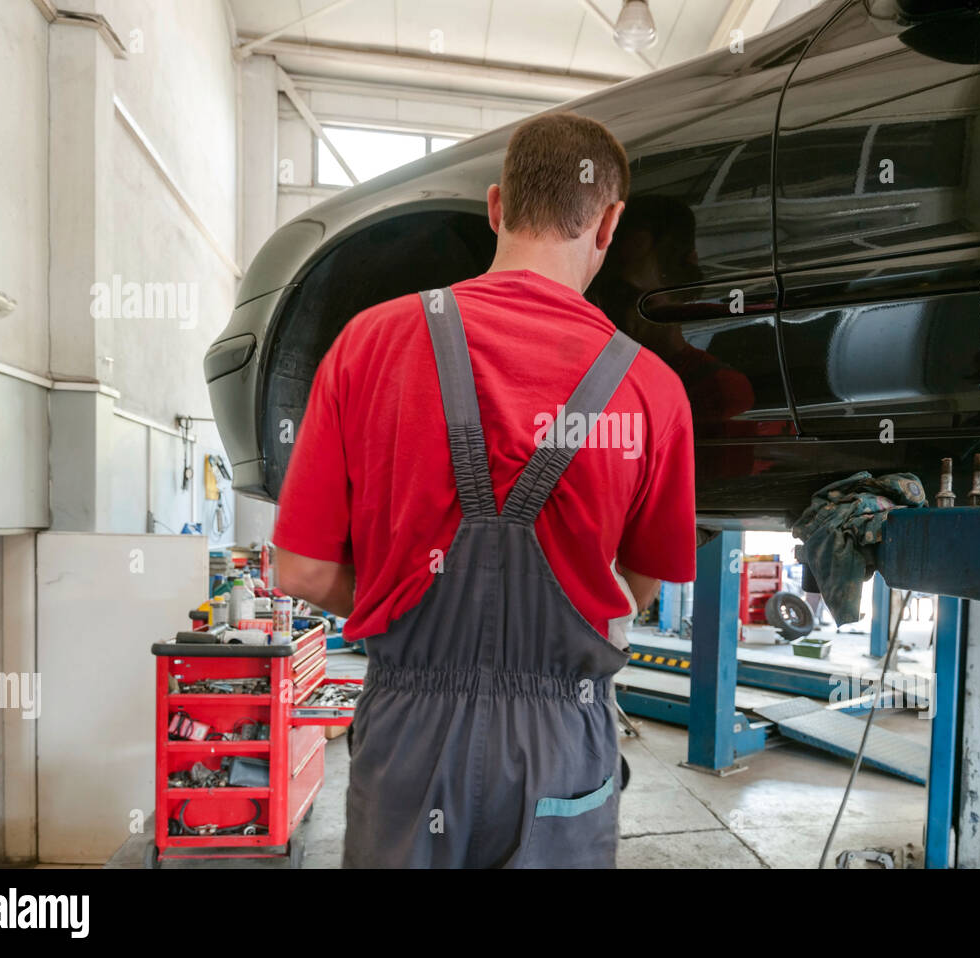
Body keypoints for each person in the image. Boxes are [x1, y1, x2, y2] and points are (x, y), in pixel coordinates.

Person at [271, 112, 697, 868]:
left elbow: (301, 572)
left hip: (408, 739)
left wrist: (406, 599)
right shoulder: (654, 390)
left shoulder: (367, 344)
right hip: (563, 744)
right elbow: (636, 589)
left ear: (496, 206)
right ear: (610, 226)